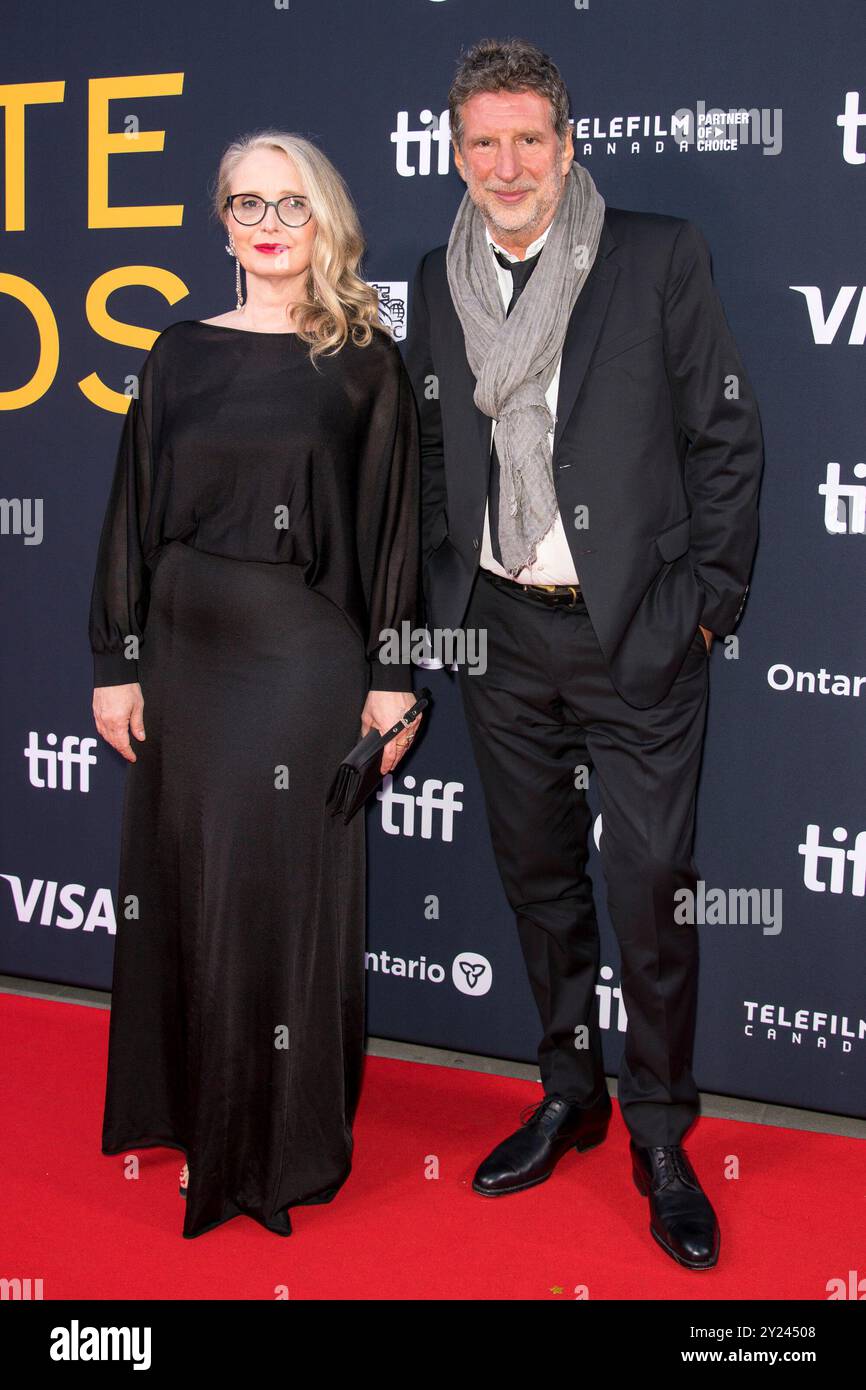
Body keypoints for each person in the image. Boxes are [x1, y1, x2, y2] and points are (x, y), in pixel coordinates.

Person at [405, 39, 763, 1270]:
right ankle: (568, 1087)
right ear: (455, 150)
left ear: (566, 143)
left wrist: (706, 607)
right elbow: (431, 458)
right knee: (537, 880)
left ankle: (661, 1134)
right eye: (480, 142)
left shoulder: (654, 254)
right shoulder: (434, 275)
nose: (504, 165)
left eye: (526, 139)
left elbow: (724, 436)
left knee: (651, 889)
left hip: (635, 634)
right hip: (501, 634)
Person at [89, 129, 422, 1239]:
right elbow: (132, 510)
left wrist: (393, 683)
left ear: (323, 216)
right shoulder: (177, 350)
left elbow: (391, 535)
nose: (268, 223)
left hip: (298, 664)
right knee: (190, 887)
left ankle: (271, 1145)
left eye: (290, 202)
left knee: (270, 902)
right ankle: (203, 1123)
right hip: (181, 655)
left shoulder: (366, 358)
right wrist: (115, 659)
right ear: (221, 221)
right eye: (246, 203)